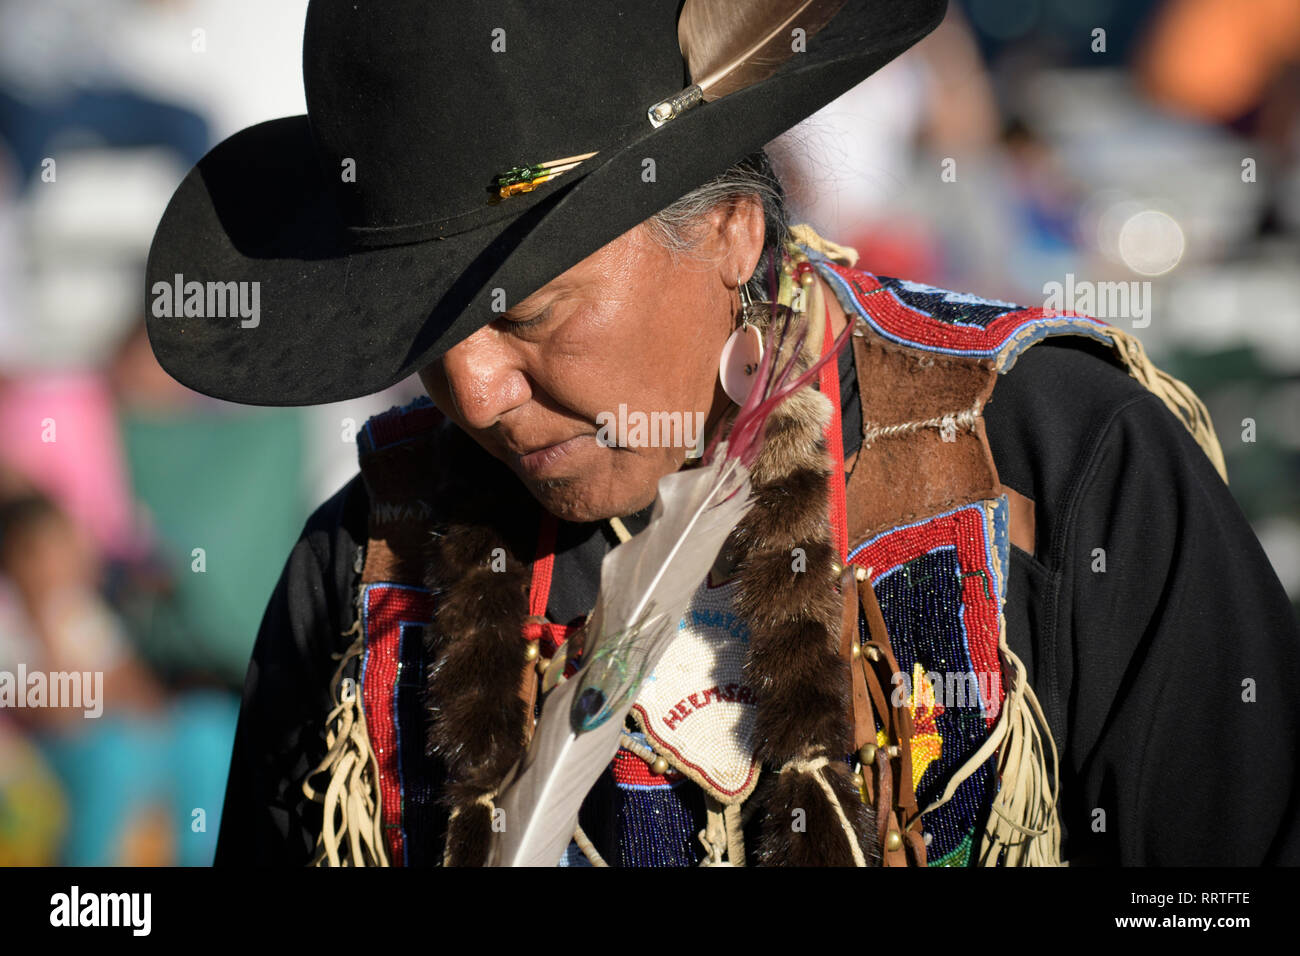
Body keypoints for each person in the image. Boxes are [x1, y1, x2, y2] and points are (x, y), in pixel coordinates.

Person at [145, 0, 1300, 866]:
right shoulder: (366, 574)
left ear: (733, 232)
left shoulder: (1057, 464)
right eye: (425, 337)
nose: (478, 392)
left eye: (526, 314)